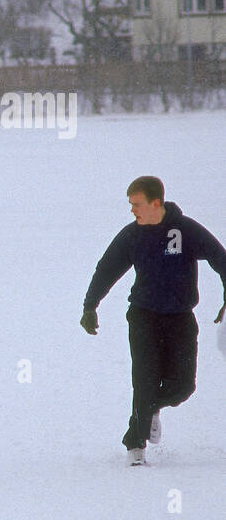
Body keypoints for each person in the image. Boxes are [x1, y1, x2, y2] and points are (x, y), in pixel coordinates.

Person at [81, 176, 226, 465]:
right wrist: (90, 306)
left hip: (180, 319)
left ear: (155, 203)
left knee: (183, 386)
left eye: (137, 204)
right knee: (144, 381)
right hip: (143, 317)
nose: (132, 210)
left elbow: (219, 258)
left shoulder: (184, 230)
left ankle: (150, 412)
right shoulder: (132, 235)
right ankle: (135, 446)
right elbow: (106, 269)